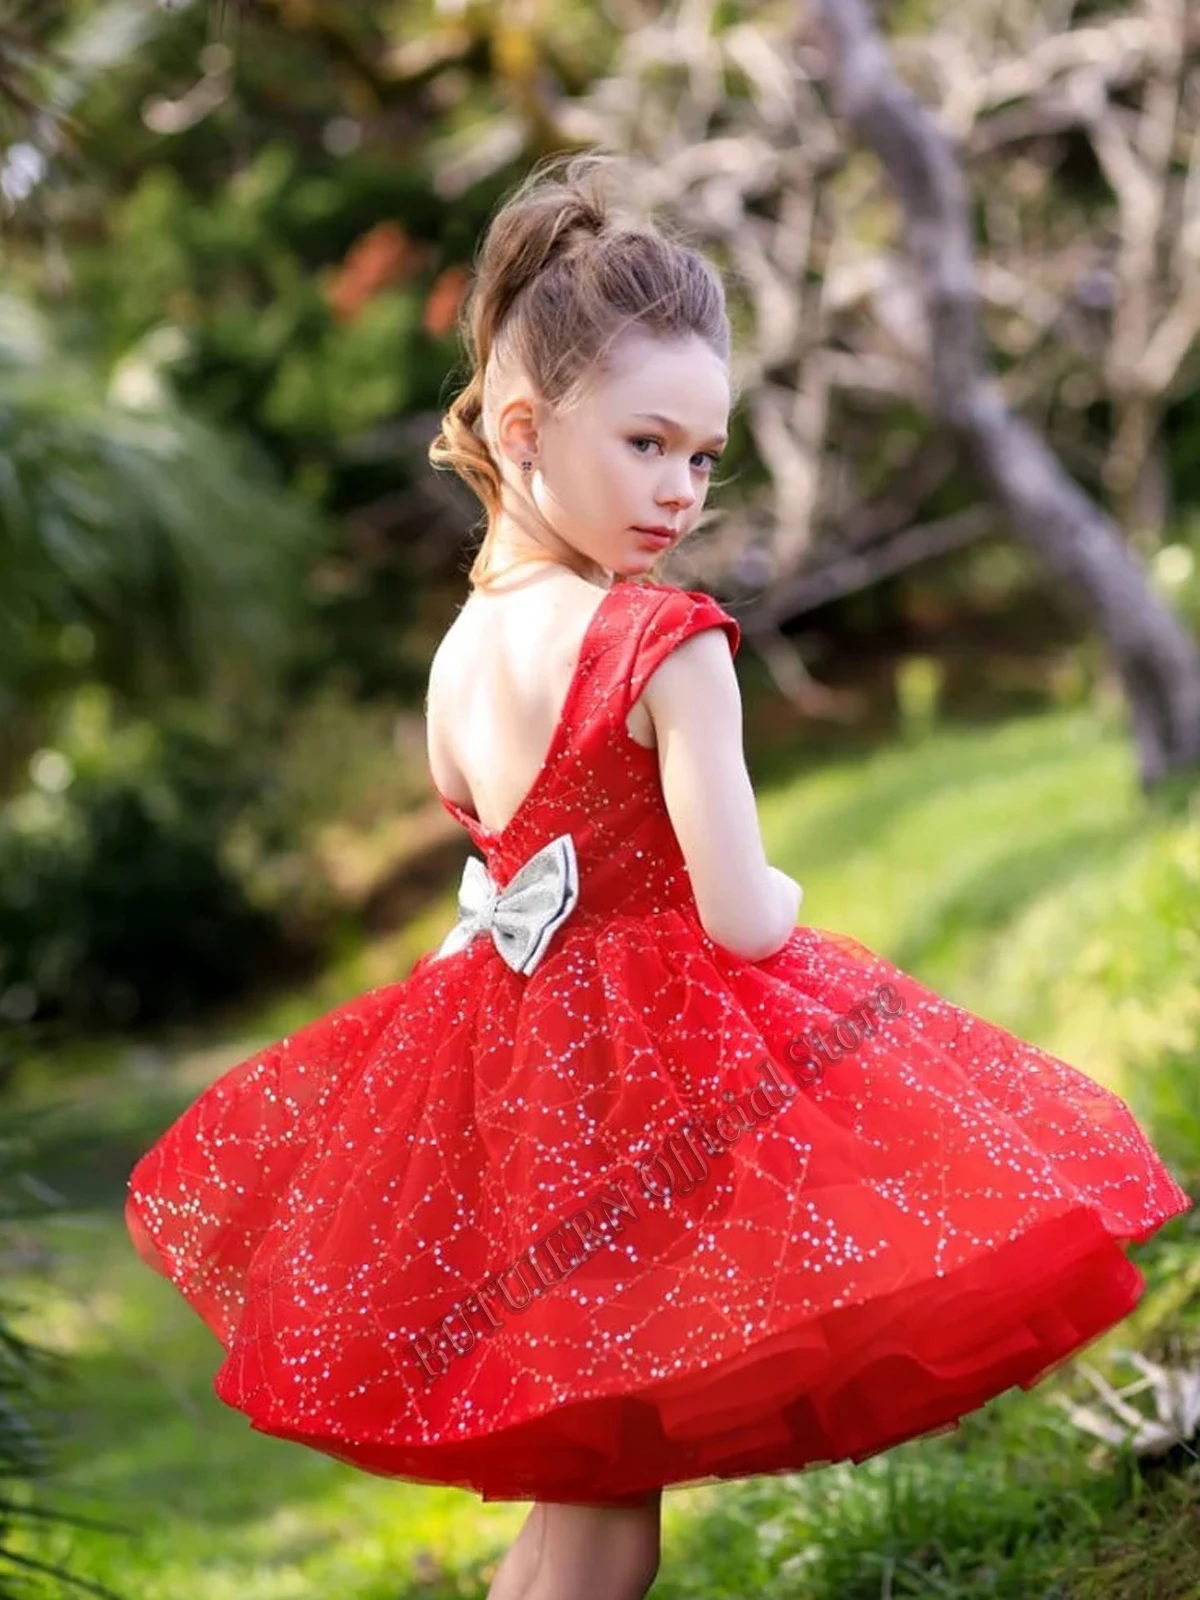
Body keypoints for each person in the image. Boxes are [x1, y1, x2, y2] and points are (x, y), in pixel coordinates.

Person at [124, 149, 1192, 1600]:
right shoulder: (663, 645)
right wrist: (803, 908)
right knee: (606, 1509)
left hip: (513, 1097)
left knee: (580, 1484)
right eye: (647, 444)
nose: (682, 489)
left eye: (703, 455)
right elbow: (743, 913)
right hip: (640, 1094)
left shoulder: (454, 660)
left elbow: (495, 880)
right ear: (523, 425)